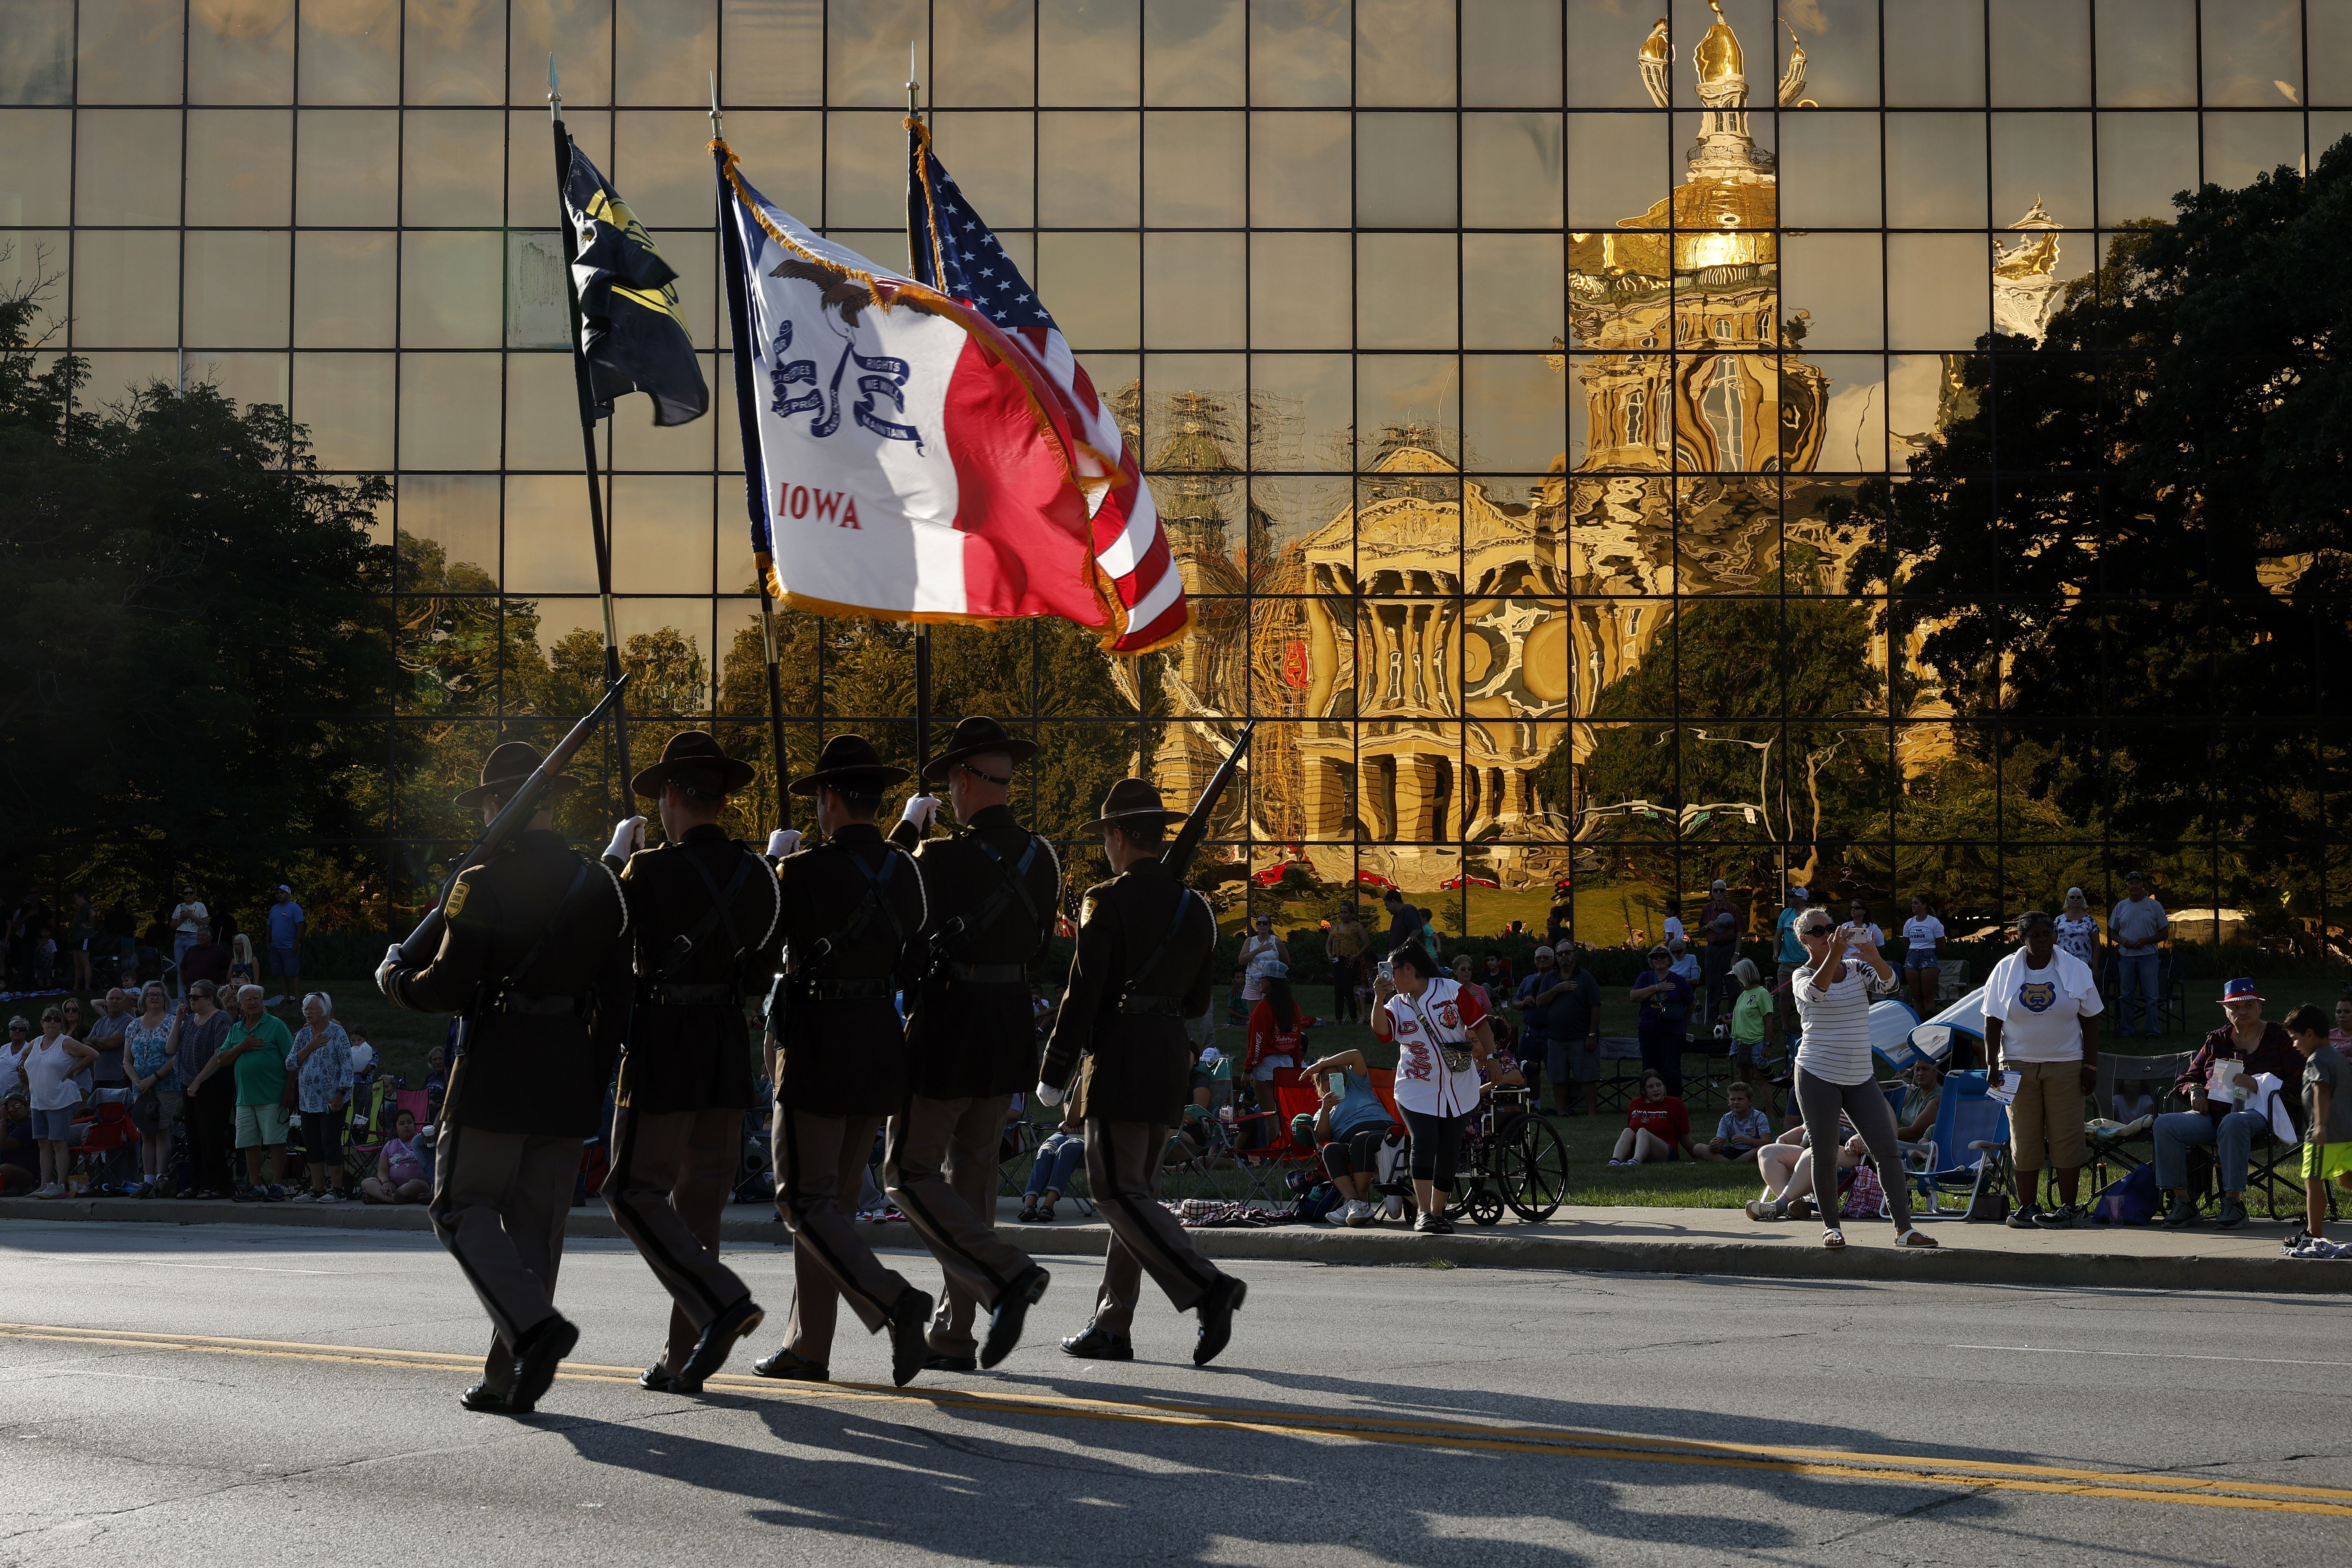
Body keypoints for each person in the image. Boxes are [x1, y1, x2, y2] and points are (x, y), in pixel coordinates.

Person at [377, 740, 632, 1416]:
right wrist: (593, 1077)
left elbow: (450, 987)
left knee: (459, 1209)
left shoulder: (483, 881)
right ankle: (509, 1376)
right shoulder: (601, 884)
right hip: (568, 1073)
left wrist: (396, 982)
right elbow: (618, 1001)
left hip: (495, 1072)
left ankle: (536, 1331)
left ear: (501, 803)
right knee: (534, 1231)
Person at [1039, 777, 1246, 1365]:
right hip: (1168, 1058)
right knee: (1139, 1195)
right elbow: (1201, 1002)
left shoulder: (1105, 900)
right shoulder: (1196, 907)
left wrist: (1055, 1068)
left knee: (1115, 1191)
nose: (1105, 845)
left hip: (1124, 1057)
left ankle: (1208, 1287)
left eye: (1106, 834)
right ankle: (1112, 1323)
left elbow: (1082, 995)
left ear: (1122, 836)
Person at [599, 732, 782, 1395]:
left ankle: (720, 1300)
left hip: (665, 1043)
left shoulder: (646, 872)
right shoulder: (760, 874)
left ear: (672, 797)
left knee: (632, 1191)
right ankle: (685, 1356)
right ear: (724, 801)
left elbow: (602, 932)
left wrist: (614, 855)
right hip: (726, 1045)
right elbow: (762, 965)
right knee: (700, 1208)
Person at [750, 735, 935, 1389]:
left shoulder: (799, 873)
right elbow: (916, 958)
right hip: (879, 1039)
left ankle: (892, 1300)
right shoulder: (906, 871)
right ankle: (809, 1345)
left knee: (803, 1196)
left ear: (830, 799)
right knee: (830, 1206)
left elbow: (760, 950)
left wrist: (770, 867)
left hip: (821, 1045)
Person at [882, 715, 1061, 1376]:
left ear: (962, 780)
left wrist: (906, 831)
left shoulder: (936, 857)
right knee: (975, 1179)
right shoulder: (1042, 856)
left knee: (908, 1173)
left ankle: (1002, 1274)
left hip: (949, 1021)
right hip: (1008, 1020)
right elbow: (1041, 945)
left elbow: (885, 908)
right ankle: (955, 1331)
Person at [1757, 908, 1938, 1248]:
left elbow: (1890, 984)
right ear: (1804, 940)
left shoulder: (1857, 968)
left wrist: (1874, 954)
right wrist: (1835, 953)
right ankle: (1832, 1228)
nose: (1827, 933)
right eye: (1817, 930)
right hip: (1817, 1073)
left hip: (1859, 1075)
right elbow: (1815, 993)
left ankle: (1904, 1229)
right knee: (1823, 1153)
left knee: (1886, 1149)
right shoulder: (1801, 974)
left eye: (1830, 927)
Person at [1982, 911, 2104, 1228]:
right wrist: (1992, 1063)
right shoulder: (2005, 971)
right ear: (2022, 939)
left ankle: (2068, 1207)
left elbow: (2090, 1021)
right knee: (2024, 1137)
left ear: (2055, 936)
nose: (2042, 940)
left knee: (2067, 1136)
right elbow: (1992, 1020)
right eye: (2034, 935)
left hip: (2066, 1064)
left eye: (2047, 934)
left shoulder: (2076, 969)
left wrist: (2090, 1065)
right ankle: (2027, 1207)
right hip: (2016, 1065)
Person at [2152, 978, 2300, 1230]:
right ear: (2226, 1010)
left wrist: (2260, 1085)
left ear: (2260, 1007)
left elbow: (2300, 1083)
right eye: (2235, 1007)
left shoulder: (2280, 1038)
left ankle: (2233, 1203)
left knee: (2234, 1121)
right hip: (2213, 1115)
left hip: (2260, 1115)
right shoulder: (2217, 1040)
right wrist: (2195, 1090)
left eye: (2249, 1005)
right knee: (2165, 1124)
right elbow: (2187, 1078)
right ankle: (2183, 1201)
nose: (2242, 1011)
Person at [1370, 943, 1494, 1235]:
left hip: (1460, 1086)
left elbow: (1482, 1024)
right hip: (1415, 1089)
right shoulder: (1396, 1003)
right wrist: (1378, 999)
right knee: (1425, 1141)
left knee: (1450, 1149)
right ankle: (1424, 1213)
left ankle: (1438, 1213)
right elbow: (1383, 1033)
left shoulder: (1452, 991)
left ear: (1409, 969)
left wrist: (1491, 1058)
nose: (1391, 978)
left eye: (1394, 971)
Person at [206, 984, 294, 1202]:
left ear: (263, 1001)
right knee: (248, 1143)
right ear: (241, 1005)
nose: (253, 1002)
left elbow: (292, 1062)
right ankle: (256, 1186)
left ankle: (277, 1186)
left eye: (257, 998)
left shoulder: (276, 1026)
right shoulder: (236, 1030)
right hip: (245, 1098)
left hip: (273, 1095)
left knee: (276, 1141)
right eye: (248, 1000)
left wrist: (290, 1091)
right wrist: (242, 1047)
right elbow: (222, 1060)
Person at [2279, 1004, 2352, 1258]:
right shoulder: (2340, 1058)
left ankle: (2314, 1233)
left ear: (2310, 1034)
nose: (2295, 1045)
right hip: (2348, 1133)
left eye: (2296, 1039)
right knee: (2346, 1178)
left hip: (2325, 1136)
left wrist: (2320, 1125)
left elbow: (2321, 1089)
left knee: (2312, 1181)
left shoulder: (2317, 1059)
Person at [1299, 1046, 1394, 1227]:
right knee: (1331, 1149)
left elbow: (1357, 1055)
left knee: (1360, 1140)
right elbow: (1322, 1136)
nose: (1332, 1081)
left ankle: (1360, 1206)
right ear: (1321, 1085)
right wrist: (1327, 1109)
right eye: (1326, 1079)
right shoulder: (1323, 1111)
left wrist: (1322, 1065)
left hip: (1382, 1133)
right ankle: (1354, 1203)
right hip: (1353, 1145)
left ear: (1345, 1077)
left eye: (1336, 1076)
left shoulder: (1358, 1086)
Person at [285, 992, 354, 1204]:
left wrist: (341, 1094)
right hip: (308, 1102)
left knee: (330, 1142)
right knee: (312, 1143)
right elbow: (290, 1063)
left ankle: (337, 1190)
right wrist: (310, 1047)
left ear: (324, 1011)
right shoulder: (304, 1035)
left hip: (332, 1100)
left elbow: (347, 1065)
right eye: (306, 1009)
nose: (308, 1012)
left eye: (313, 1008)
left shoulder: (337, 1033)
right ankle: (317, 1189)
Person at [1521, 943, 1602, 1118]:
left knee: (1587, 1077)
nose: (1564, 956)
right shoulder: (1550, 978)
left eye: (1567, 953)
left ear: (1575, 955)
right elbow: (1540, 1001)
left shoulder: (1585, 978)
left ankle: (1592, 1113)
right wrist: (1558, 988)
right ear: (1556, 958)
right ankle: (1561, 1112)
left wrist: (1592, 1034)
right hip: (1556, 1037)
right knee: (1558, 1078)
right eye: (1560, 954)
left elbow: (1596, 1007)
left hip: (1581, 1037)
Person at [24, 1007, 98, 1198]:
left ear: (61, 1023)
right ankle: (44, 1185)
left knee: (59, 1142)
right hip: (38, 1101)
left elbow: (92, 1054)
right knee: (43, 1144)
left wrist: (72, 1070)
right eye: (48, 1019)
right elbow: (24, 1056)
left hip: (60, 1099)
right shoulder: (36, 1043)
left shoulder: (66, 1042)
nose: (52, 1022)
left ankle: (61, 1185)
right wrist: (22, 1070)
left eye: (57, 1019)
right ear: (42, 1023)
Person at [170, 982, 235, 1197]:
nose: (192, 1000)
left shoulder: (221, 1019)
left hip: (213, 1085)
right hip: (190, 1084)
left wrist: (198, 1081)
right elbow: (171, 1049)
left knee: (212, 1136)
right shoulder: (189, 1021)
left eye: (197, 997)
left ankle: (216, 1184)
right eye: (190, 996)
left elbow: (219, 1056)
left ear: (210, 999)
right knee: (194, 1136)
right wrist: (178, 1020)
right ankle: (196, 1183)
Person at [122, 981, 181, 1196]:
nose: (155, 998)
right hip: (140, 1089)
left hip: (166, 1085)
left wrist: (153, 1078)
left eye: (159, 994)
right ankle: (147, 1180)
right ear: (143, 999)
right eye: (150, 995)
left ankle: (161, 1179)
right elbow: (127, 1061)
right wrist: (139, 1081)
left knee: (161, 1130)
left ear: (165, 999)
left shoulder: (172, 1023)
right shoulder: (134, 1026)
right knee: (146, 1133)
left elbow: (176, 1056)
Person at [2109, 871, 2170, 1038]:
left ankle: (2152, 1032)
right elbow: (2113, 932)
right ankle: (2127, 1031)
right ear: (2127, 887)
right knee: (2126, 996)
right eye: (2131, 883)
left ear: (2142, 885)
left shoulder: (2154, 906)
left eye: (2137, 883)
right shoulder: (2121, 907)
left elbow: (2165, 934)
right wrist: (2122, 941)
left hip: (2148, 957)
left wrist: (2147, 940)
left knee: (2151, 997)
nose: (2134, 886)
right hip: (2126, 958)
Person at [1630, 943, 1693, 1100]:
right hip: (1648, 1030)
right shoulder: (1645, 977)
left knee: (1671, 1068)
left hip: (1672, 1032)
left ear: (1669, 960)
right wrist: (1658, 988)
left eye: (1663, 957)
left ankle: (1674, 1102)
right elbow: (1634, 996)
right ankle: (1650, 1102)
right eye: (1655, 957)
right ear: (1651, 961)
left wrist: (1684, 1022)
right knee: (1650, 1069)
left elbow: (1691, 1002)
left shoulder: (1679, 980)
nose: (1659, 960)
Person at [1726, 958, 1778, 1117]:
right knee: (1744, 1081)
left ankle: (1770, 1114)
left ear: (1745, 976)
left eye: (1738, 978)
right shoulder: (1743, 995)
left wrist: (1768, 1044)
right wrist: (1726, 1021)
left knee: (1760, 1078)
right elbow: (1742, 1018)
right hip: (1740, 1042)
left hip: (1756, 1042)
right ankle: (1747, 1112)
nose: (1736, 982)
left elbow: (1768, 1022)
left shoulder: (1762, 994)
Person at [1609, 1071, 1695, 1164]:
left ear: (1664, 1087)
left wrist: (1698, 1154)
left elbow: (1684, 1137)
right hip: (1637, 1147)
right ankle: (1615, 1161)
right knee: (1628, 1131)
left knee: (1643, 1131)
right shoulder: (1635, 1104)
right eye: (1651, 1087)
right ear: (1643, 1090)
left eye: (1659, 1085)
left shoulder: (1675, 1104)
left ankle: (1636, 1161)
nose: (1656, 1090)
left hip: (1665, 1150)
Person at [1017, 1109, 1085, 1224]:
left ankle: (1049, 1204)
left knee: (1065, 1150)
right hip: (1065, 1133)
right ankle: (1029, 1204)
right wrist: (1077, 1091)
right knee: (1046, 1151)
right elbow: (1071, 1120)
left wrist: (1074, 1130)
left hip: (1092, 1138)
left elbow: (1100, 1125)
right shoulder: (1073, 1092)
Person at [361, 1107, 431, 1205]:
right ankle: (395, 1198)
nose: (406, 1126)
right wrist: (386, 1182)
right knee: (367, 1182)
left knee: (415, 1184)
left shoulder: (421, 1141)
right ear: (395, 1128)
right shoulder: (389, 1145)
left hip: (419, 1184)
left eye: (409, 1123)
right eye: (402, 1124)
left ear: (414, 1125)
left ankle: (382, 1198)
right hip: (393, 1185)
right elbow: (382, 1170)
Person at [1697, 879, 1742, 1020]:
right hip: (1712, 949)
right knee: (1713, 984)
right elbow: (1700, 930)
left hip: (1729, 948)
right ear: (1712, 892)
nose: (1718, 893)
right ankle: (1713, 1019)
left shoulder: (1733, 909)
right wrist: (1707, 927)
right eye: (1715, 890)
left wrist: (1736, 954)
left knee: (1732, 984)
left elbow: (1740, 932)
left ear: (1726, 892)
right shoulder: (1707, 909)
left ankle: (1732, 1017)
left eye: (1721, 891)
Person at [1705, 1081, 1774, 1163]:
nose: (1736, 1102)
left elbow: (1767, 1142)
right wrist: (1713, 1147)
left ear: (1750, 1101)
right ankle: (1734, 1162)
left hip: (1753, 1150)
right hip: (1734, 1150)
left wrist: (1747, 1141)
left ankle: (1732, 1162)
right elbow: (1719, 1145)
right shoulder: (1726, 1118)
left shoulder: (1759, 1116)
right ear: (1728, 1102)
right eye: (1733, 1099)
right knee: (1698, 1148)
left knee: (1763, 1149)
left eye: (1740, 1099)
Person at [1773, 886, 1810, 1038]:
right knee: (1783, 994)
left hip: (1805, 963)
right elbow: (1777, 936)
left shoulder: (1811, 917)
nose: (1788, 899)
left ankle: (1807, 1026)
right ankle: (1786, 1027)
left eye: (1791, 897)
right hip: (1786, 962)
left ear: (1800, 899)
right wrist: (1776, 951)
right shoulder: (1786, 914)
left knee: (1807, 996)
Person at [1899, 895, 1944, 1016]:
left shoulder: (1934, 923)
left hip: (1928, 956)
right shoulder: (1910, 923)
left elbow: (1941, 944)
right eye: (1912, 903)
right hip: (1912, 957)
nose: (1913, 906)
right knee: (1917, 997)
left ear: (1924, 906)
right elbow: (1906, 942)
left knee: (1928, 996)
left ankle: (1931, 1022)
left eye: (1916, 903)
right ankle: (1918, 1023)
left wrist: (1931, 953)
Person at [1326, 905, 1368, 1024]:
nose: (1343, 915)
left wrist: (1356, 956)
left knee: (1348, 989)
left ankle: (1353, 1018)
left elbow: (1367, 943)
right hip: (1337, 959)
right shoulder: (1336, 926)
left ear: (1351, 914)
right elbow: (1329, 943)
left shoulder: (1357, 926)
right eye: (1341, 912)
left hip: (1349, 960)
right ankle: (1338, 1019)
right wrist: (1329, 954)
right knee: (1338, 990)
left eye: (1346, 913)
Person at [264, 885, 306, 1004]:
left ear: (288, 894)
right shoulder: (274, 909)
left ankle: (297, 999)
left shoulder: (295, 908)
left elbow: (300, 927)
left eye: (282, 893)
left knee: (292, 974)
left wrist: (296, 944)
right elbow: (269, 926)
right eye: (278, 893)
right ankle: (286, 998)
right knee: (281, 974)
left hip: (290, 947)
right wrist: (268, 943)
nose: (279, 895)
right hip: (276, 947)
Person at [168, 887, 208, 995]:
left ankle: (196, 994)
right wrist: (181, 920)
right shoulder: (179, 907)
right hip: (180, 937)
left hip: (193, 937)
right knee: (180, 969)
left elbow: (206, 924)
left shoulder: (200, 906)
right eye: (186, 893)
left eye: (191, 893)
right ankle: (182, 997)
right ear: (183, 895)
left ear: (194, 894)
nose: (189, 895)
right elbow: (172, 925)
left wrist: (191, 916)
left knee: (194, 967)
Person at [1238, 914, 1285, 1004]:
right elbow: (1241, 961)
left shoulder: (1276, 941)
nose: (1262, 925)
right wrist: (1259, 950)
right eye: (1259, 923)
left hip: (1270, 984)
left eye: (1265, 923)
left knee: (1268, 1014)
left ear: (1270, 926)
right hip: (1252, 983)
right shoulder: (1250, 941)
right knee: (1254, 1016)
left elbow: (1286, 961)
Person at [2053, 887, 2100, 973]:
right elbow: (2053, 943)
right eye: (2072, 897)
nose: (2075, 900)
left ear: (2083, 901)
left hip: (2084, 965)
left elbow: (2096, 945)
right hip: (2063, 963)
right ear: (2068, 900)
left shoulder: (2090, 920)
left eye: (2078, 898)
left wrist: (2095, 966)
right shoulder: (2059, 920)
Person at [1895, 1059, 1942, 1143]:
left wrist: (1884, 1135)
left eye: (1925, 1069)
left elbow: (1913, 1132)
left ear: (1936, 1071)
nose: (1920, 1073)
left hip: (1919, 1148)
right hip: (1901, 1143)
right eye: (1917, 1069)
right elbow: (1890, 1112)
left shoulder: (1938, 1097)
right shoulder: (1912, 1092)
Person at [179, 924, 231, 994]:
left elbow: (230, 966)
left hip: (212, 992)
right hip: (192, 992)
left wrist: (225, 984)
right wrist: (184, 985)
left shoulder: (218, 951)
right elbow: (183, 968)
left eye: (203, 935)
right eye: (199, 935)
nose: (200, 937)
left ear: (210, 937)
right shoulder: (191, 951)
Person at [1, 1091, 34, 1196]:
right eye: (10, 1108)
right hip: (11, 1171)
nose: (15, 1110)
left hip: (29, 1174)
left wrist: (3, 1119)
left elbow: (4, 1144)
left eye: (17, 1106)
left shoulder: (30, 1125)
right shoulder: (11, 1126)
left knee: (3, 1169)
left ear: (27, 1108)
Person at [1842, 900, 1884, 968]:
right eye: (1851, 908)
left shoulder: (1873, 928)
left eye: (1856, 908)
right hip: (1847, 964)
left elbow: (1881, 947)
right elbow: (1839, 945)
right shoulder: (1845, 927)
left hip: (1867, 965)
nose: (1853, 910)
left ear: (1864, 911)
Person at [66, 893, 94, 994]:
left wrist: (90, 926)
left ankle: (87, 987)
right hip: (77, 938)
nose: (75, 899)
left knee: (84, 961)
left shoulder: (87, 906)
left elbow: (93, 914)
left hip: (84, 938)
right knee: (77, 962)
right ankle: (76, 987)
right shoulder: (81, 909)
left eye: (76, 897)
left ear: (82, 896)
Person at [1382, 888, 1423, 957]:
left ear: (1393, 902)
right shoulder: (1395, 916)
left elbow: (1417, 930)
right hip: (1398, 958)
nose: (1387, 909)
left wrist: (1405, 946)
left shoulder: (1408, 910)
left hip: (1410, 958)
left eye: (1387, 905)